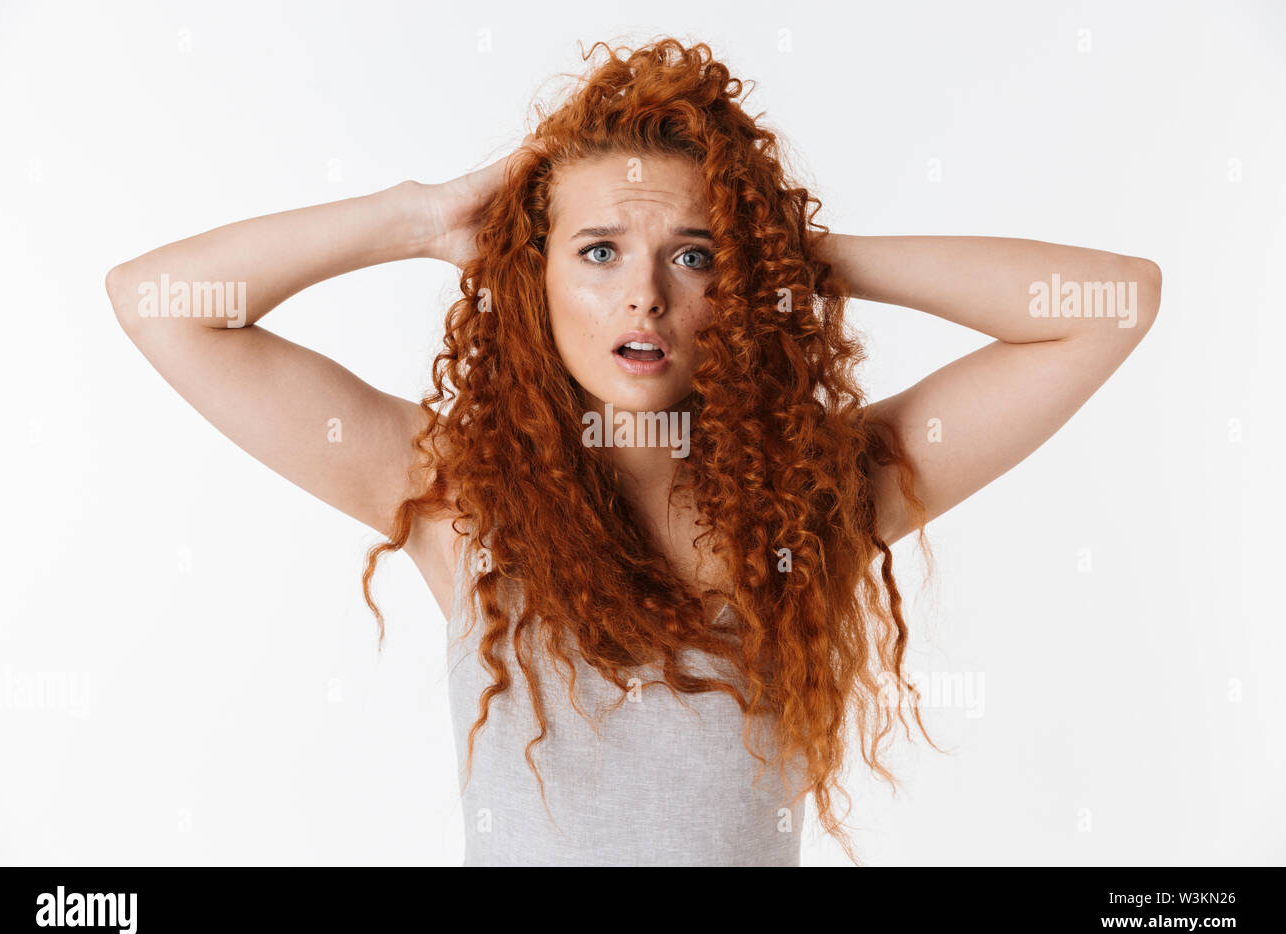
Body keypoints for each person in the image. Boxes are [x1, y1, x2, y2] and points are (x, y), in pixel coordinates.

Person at [104, 37, 1162, 866]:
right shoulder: (453, 495)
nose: (643, 294)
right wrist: (416, 216)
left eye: (693, 255)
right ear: (536, 273)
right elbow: (159, 306)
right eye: (599, 250)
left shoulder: (818, 496)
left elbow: (1109, 305)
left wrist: (797, 250)